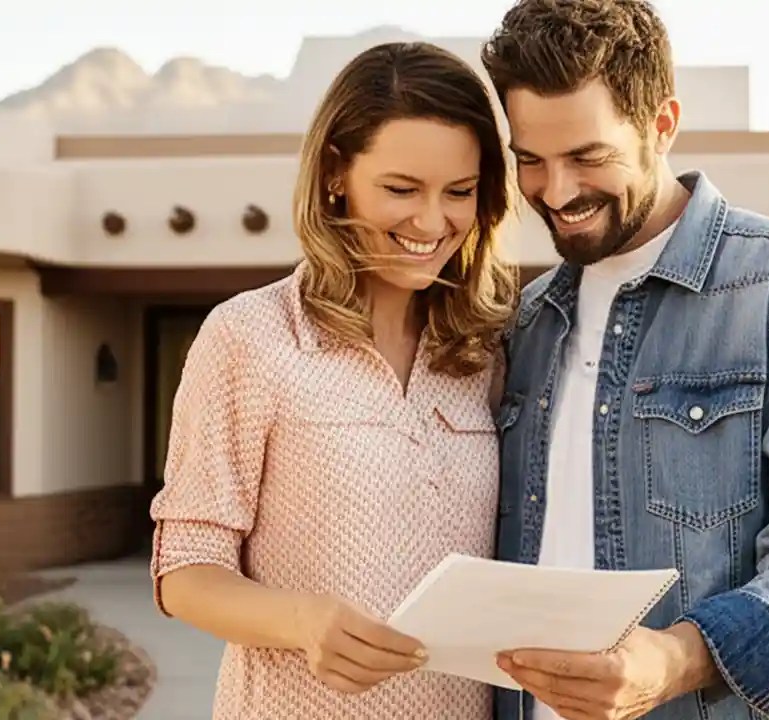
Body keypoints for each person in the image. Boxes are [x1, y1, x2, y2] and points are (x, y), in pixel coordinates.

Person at [479, 2, 769, 719]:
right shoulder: (525, 321)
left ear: (662, 124)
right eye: (531, 162)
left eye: (587, 157)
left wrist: (676, 659)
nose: (556, 191)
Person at [147, 41, 518, 720]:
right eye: (401, 189)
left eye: (459, 192)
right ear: (334, 174)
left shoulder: (483, 352)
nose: (432, 223)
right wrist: (303, 622)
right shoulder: (250, 337)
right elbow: (185, 573)